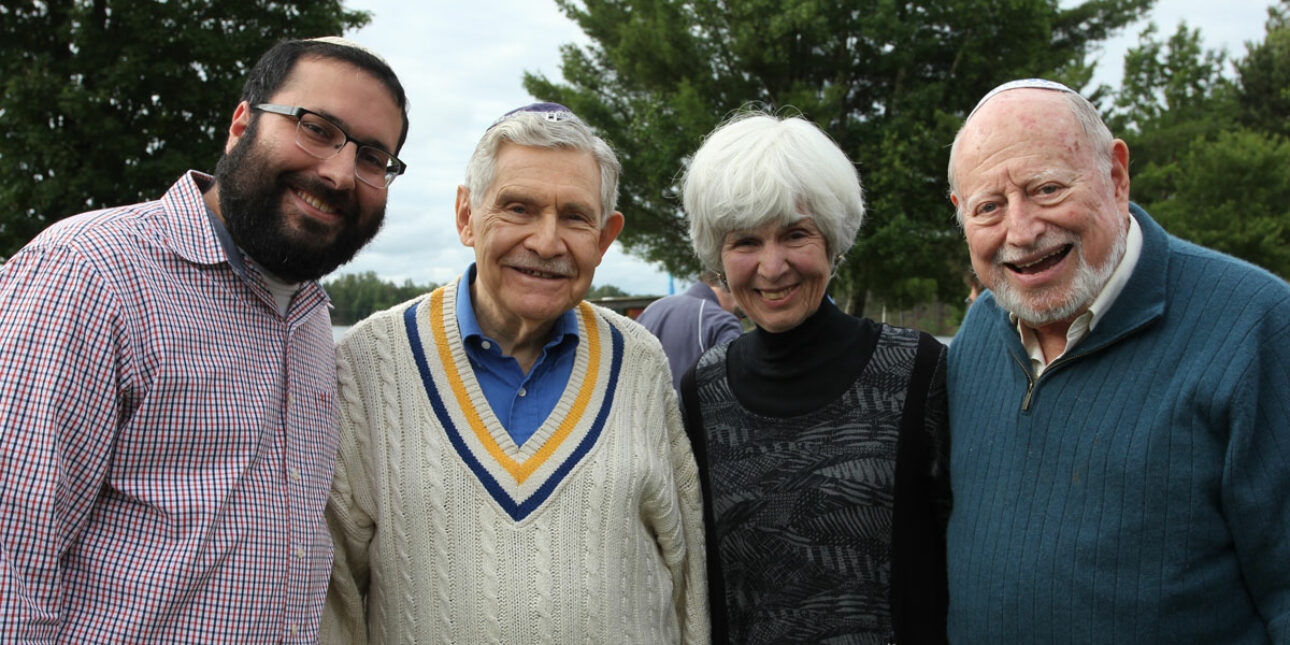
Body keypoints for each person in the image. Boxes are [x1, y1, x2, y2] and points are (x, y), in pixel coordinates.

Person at [0, 37, 409, 643]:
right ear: (241, 123)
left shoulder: (309, 317)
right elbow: (12, 560)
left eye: (374, 157)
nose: (340, 172)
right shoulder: (90, 273)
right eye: (316, 128)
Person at [321, 102, 708, 644]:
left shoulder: (639, 361)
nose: (547, 242)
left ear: (604, 237)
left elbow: (687, 563)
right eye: (519, 208)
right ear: (466, 217)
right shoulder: (369, 365)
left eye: (575, 216)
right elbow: (335, 591)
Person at [945, 79, 1290, 643]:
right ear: (963, 215)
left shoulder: (1256, 327)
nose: (1022, 231)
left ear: (1117, 176)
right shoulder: (976, 338)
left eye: (1048, 189)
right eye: (989, 207)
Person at [678, 112, 950, 644]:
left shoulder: (915, 371)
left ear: (831, 238)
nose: (772, 266)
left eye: (794, 234)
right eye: (745, 242)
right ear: (718, 254)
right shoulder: (701, 393)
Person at [636, 270, 742, 390]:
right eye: (741, 313)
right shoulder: (723, 321)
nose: (740, 319)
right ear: (732, 291)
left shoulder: (652, 308)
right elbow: (734, 388)